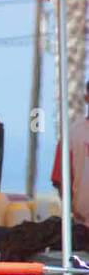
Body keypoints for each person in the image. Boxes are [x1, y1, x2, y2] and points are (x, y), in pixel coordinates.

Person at [51, 79, 89, 224]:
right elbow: (59, 179)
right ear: (87, 98)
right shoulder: (72, 133)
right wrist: (71, 211)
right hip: (82, 226)